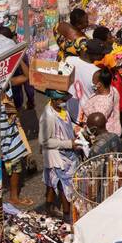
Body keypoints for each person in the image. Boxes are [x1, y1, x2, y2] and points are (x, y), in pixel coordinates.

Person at [40, 89, 80, 219]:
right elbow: (44, 141)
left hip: (69, 154)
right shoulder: (48, 116)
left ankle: (49, 207)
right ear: (54, 100)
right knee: (64, 186)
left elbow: (68, 124)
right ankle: (67, 215)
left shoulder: (63, 110)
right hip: (57, 156)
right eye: (62, 100)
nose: (65, 102)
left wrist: (76, 129)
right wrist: (68, 144)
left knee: (53, 183)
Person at [81, 68, 121, 136]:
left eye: (93, 81)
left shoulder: (102, 104)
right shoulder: (112, 90)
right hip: (113, 128)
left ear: (99, 84)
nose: (92, 83)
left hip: (102, 136)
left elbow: (96, 127)